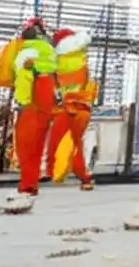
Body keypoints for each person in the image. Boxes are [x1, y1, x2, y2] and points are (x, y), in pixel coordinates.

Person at [1, 16, 59, 211]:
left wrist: (23, 102)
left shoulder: (28, 50)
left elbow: (22, 75)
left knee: (26, 146)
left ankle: (26, 188)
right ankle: (28, 187)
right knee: (35, 146)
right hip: (45, 96)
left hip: (33, 98)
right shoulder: (48, 50)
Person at [46, 26, 97, 190]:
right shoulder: (82, 61)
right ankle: (82, 177)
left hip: (68, 109)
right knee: (74, 143)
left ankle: (56, 173)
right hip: (84, 109)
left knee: (59, 142)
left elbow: (53, 88)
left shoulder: (58, 62)